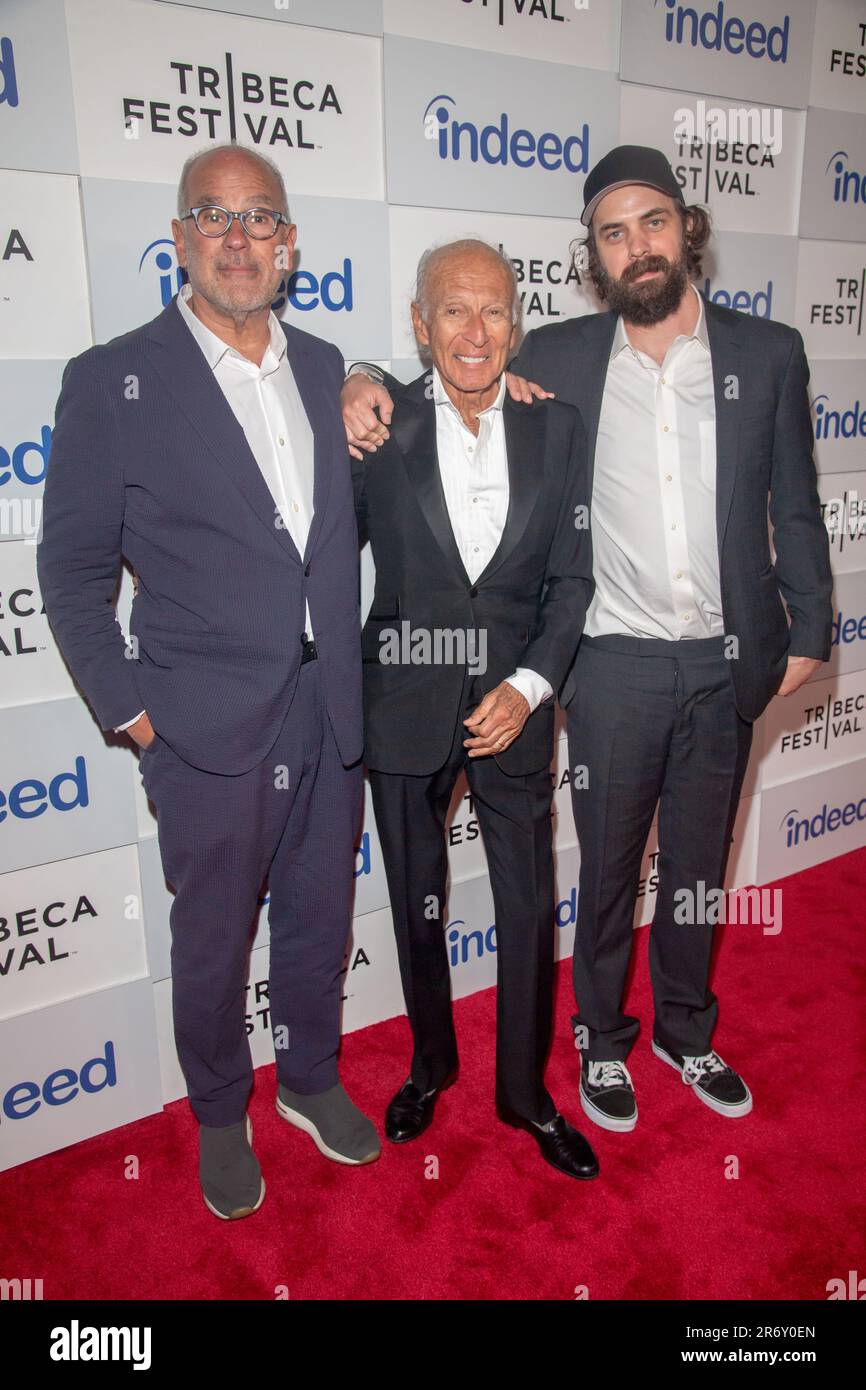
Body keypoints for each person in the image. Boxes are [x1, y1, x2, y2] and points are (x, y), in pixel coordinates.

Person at [341, 146, 833, 1137]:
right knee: (604, 871)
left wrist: (810, 622)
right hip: (607, 663)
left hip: (724, 658)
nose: (635, 245)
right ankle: (599, 1040)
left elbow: (797, 499)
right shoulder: (557, 358)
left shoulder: (766, 352)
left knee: (699, 868)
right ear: (594, 257)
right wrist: (355, 374)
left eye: (650, 222)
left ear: (682, 228)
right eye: (612, 233)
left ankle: (683, 1028)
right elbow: (442, 377)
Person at [37, 142, 378, 1221]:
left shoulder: (330, 367)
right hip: (201, 728)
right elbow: (72, 570)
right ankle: (221, 1115)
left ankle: (312, 1078)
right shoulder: (112, 381)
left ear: (288, 246)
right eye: (213, 217)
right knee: (213, 939)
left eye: (260, 218)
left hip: (329, 713)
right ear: (179, 240)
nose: (239, 238)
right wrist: (133, 714)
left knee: (320, 917)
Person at [351, 238, 598, 1180]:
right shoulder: (376, 429)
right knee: (418, 905)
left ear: (517, 326)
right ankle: (430, 1063)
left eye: (494, 310)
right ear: (419, 324)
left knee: (529, 903)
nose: (474, 329)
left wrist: (529, 686)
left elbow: (573, 582)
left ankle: (526, 1094)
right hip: (404, 701)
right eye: (453, 310)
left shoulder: (558, 428)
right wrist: (359, 379)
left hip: (516, 705)